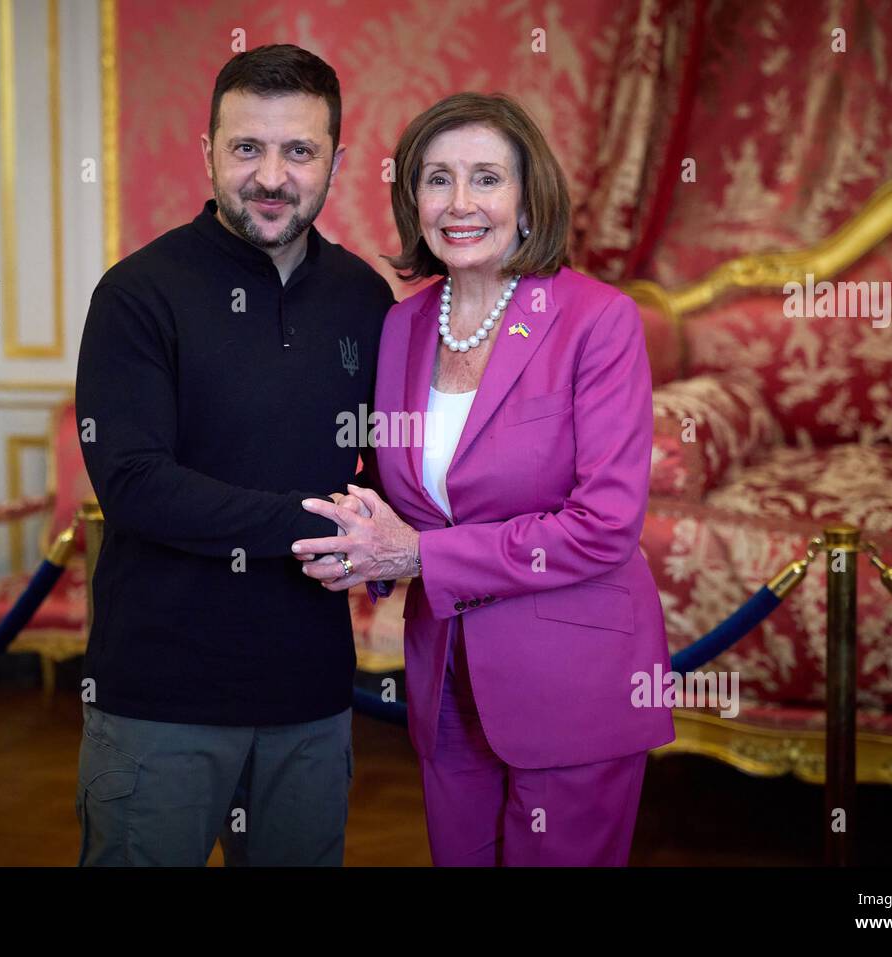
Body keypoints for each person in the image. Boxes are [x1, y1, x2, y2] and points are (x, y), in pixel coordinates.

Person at [291, 92, 675, 866]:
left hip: (573, 687)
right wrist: (356, 535)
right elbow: (400, 485)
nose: (460, 203)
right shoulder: (401, 324)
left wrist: (419, 557)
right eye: (438, 179)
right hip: (444, 684)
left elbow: (603, 525)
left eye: (486, 178)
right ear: (413, 199)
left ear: (530, 198)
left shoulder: (597, 322)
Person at [73, 44, 394, 866]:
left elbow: (387, 463)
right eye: (247, 147)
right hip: (161, 695)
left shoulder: (364, 296)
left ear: (337, 161)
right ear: (208, 151)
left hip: (312, 693)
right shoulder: (137, 294)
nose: (272, 177)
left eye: (299, 150)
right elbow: (137, 484)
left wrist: (399, 543)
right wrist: (321, 523)